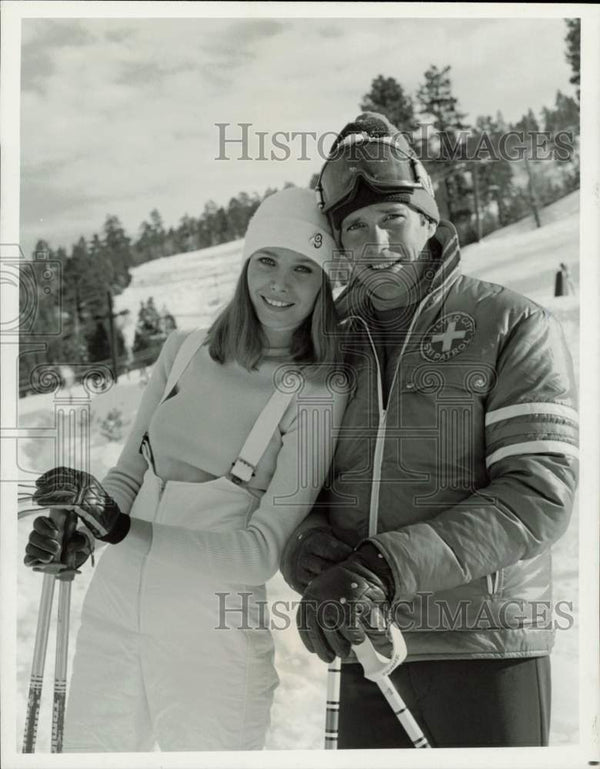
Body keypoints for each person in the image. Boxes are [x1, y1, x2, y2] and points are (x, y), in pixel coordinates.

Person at [281, 113, 579, 748]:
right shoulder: (327, 341)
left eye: (392, 218)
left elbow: (537, 495)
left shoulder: (511, 322)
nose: (376, 243)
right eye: (355, 227)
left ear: (428, 220)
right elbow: (298, 482)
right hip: (367, 641)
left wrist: (384, 567)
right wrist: (304, 543)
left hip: (484, 645)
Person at [24, 187, 350, 752]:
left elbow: (258, 552)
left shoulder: (320, 392)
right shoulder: (184, 350)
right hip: (116, 609)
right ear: (246, 264)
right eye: (267, 261)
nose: (279, 283)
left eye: (304, 269)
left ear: (324, 285)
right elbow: (128, 476)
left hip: (212, 635)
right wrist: (81, 530)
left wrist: (121, 528)